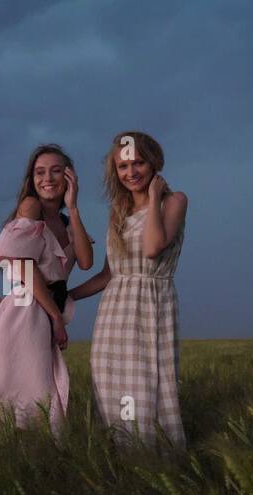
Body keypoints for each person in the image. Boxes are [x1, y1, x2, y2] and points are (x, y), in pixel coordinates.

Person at [0, 144, 93, 435]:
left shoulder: (67, 221)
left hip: (45, 311)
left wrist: (73, 207)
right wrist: (57, 317)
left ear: (69, 178)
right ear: (31, 179)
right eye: (40, 172)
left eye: (56, 171)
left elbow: (85, 261)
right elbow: (24, 266)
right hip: (25, 309)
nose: (47, 178)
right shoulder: (30, 207)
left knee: (37, 389)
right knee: (17, 388)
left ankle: (33, 454)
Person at [68, 131, 187, 447]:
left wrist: (154, 197)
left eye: (139, 163)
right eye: (123, 167)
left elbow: (152, 249)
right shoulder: (117, 212)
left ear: (154, 163)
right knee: (111, 384)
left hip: (151, 305)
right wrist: (68, 295)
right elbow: (109, 274)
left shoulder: (174, 201)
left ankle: (159, 460)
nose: (131, 172)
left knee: (150, 383)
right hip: (114, 313)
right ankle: (127, 459)